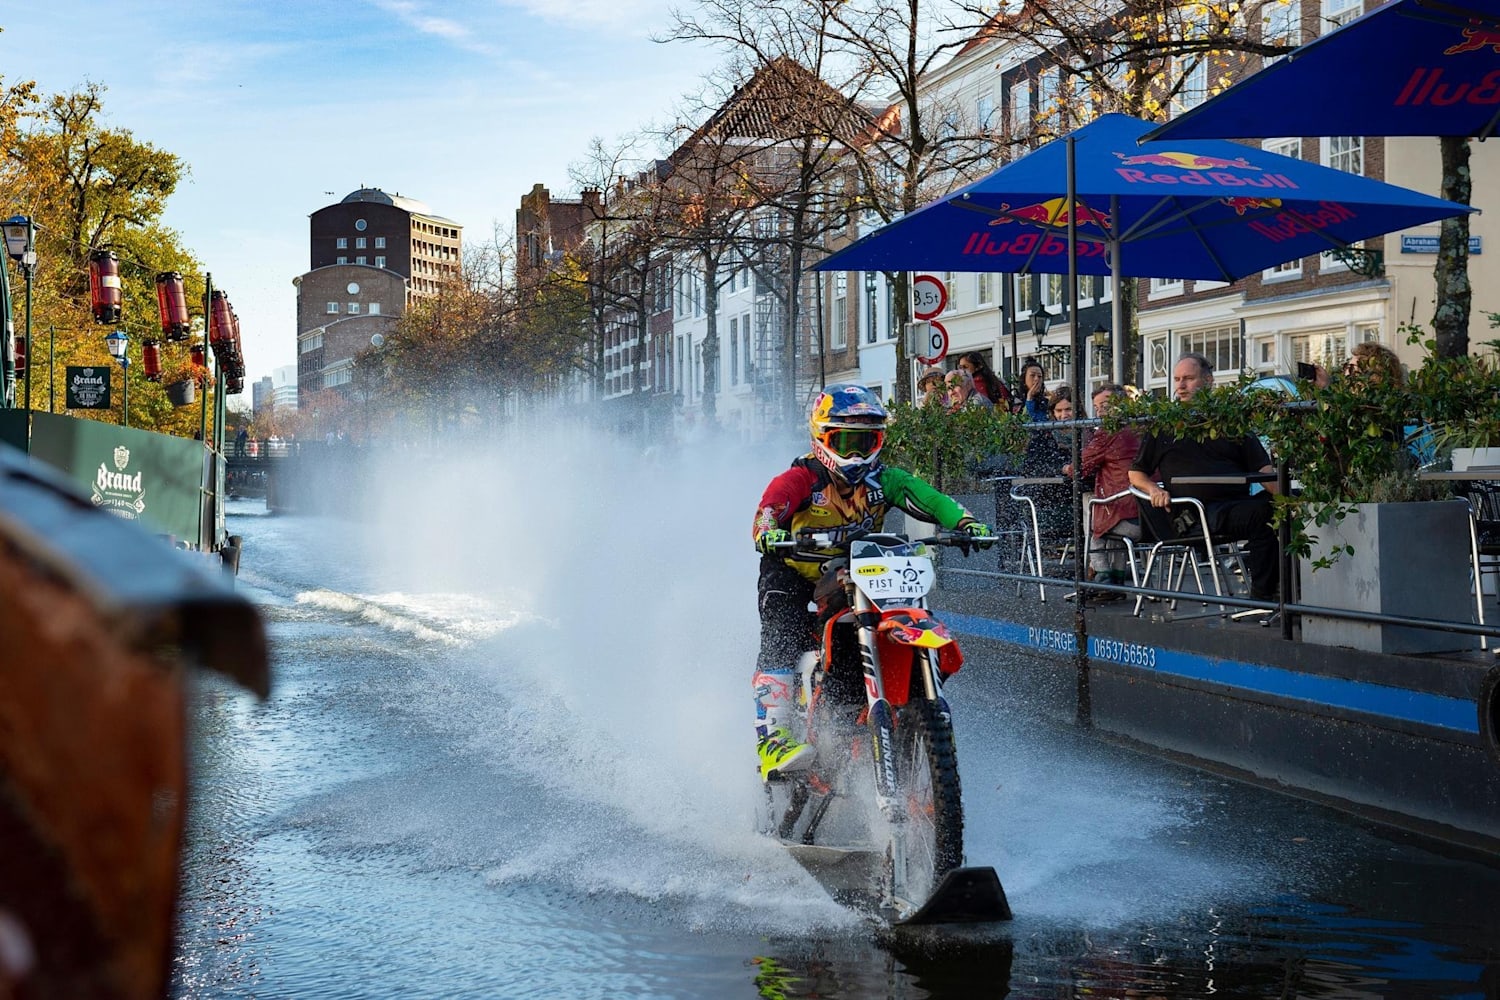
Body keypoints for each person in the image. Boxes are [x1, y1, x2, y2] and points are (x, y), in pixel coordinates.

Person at [750, 384, 993, 781]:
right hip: (794, 571)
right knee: (783, 630)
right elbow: (768, 510)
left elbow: (931, 500)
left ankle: (902, 703)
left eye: (866, 441)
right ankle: (773, 739)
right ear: (821, 438)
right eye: (845, 442)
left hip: (857, 575)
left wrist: (965, 523)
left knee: (904, 611)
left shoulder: (887, 480)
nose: (857, 454)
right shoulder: (799, 479)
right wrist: (766, 531)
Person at [1128, 352, 1281, 602]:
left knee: (1283, 510)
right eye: (1177, 379)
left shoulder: (1229, 420)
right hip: (1193, 514)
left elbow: (1263, 468)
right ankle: (1266, 597)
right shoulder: (1166, 424)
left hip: (1234, 506)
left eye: (1188, 378)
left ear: (1208, 381)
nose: (1180, 385)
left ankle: (1291, 589)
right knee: (1262, 516)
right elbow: (1136, 472)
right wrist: (1154, 490)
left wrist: (1292, 502)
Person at [1064, 384, 1142, 595]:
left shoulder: (1110, 432)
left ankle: (1102, 576)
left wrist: (1066, 467)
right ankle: (1115, 579)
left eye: (1105, 405)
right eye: (1097, 408)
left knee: (1095, 523)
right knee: (1106, 516)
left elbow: (1078, 468)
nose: (1100, 412)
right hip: (1155, 517)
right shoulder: (1141, 427)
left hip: (1130, 518)